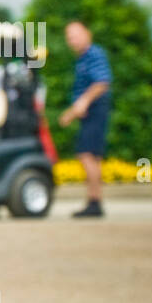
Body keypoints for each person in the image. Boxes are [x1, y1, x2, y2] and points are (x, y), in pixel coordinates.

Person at [57, 21, 112, 217]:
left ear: (86, 34)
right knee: (91, 156)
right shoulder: (82, 58)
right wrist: (71, 113)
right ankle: (94, 201)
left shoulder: (93, 54)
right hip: (91, 111)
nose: (71, 41)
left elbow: (101, 83)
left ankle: (94, 202)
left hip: (96, 110)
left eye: (75, 36)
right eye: (69, 38)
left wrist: (81, 104)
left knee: (86, 155)